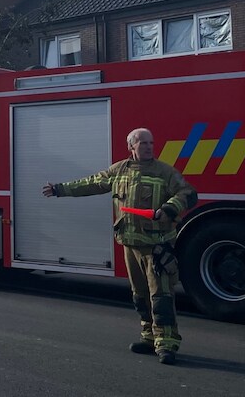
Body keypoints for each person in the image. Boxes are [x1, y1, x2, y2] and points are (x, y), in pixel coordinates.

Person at [42, 127, 198, 365]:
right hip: (130, 245)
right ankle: (148, 337)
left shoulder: (164, 172)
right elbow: (92, 183)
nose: (148, 147)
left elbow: (188, 193)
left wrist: (169, 208)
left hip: (157, 247)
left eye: (151, 143)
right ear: (131, 147)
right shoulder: (119, 170)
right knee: (140, 296)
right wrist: (59, 189)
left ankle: (166, 344)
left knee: (162, 297)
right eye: (143, 143)